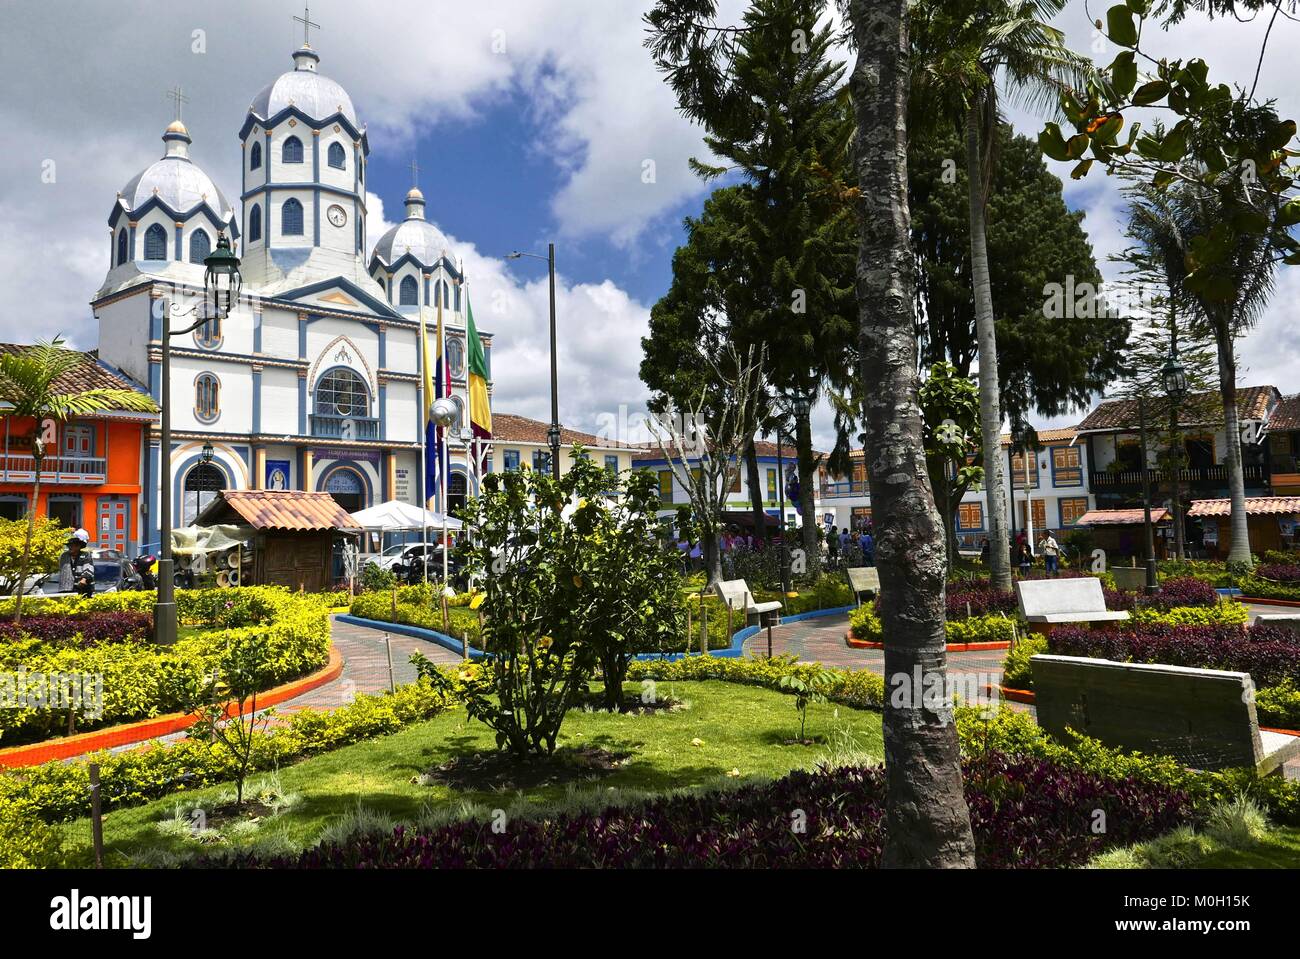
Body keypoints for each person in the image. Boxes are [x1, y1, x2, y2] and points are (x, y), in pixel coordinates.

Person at [57, 529, 95, 596]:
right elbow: (62, 571)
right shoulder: (64, 556)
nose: (70, 547)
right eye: (69, 545)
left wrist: (84, 579)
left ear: (78, 546)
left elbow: (88, 568)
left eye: (72, 545)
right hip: (67, 589)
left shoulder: (85, 555)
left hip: (84, 589)